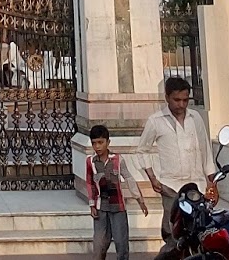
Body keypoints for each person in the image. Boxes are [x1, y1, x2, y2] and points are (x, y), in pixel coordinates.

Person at [139, 76, 218, 243]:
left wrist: (213, 183)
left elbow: (205, 151)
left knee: (200, 231)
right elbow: (142, 150)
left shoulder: (195, 118)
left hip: (197, 186)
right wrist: (152, 178)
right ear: (167, 97)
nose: (181, 105)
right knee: (172, 234)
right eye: (176, 100)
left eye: (185, 100)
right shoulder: (155, 121)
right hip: (170, 187)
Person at [87, 124, 148, 260]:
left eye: (101, 143)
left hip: (118, 207)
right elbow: (90, 183)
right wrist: (92, 204)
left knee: (121, 243)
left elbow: (129, 178)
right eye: (94, 143)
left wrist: (140, 200)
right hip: (100, 207)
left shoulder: (118, 160)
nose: (97, 147)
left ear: (108, 142)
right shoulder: (90, 161)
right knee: (100, 243)